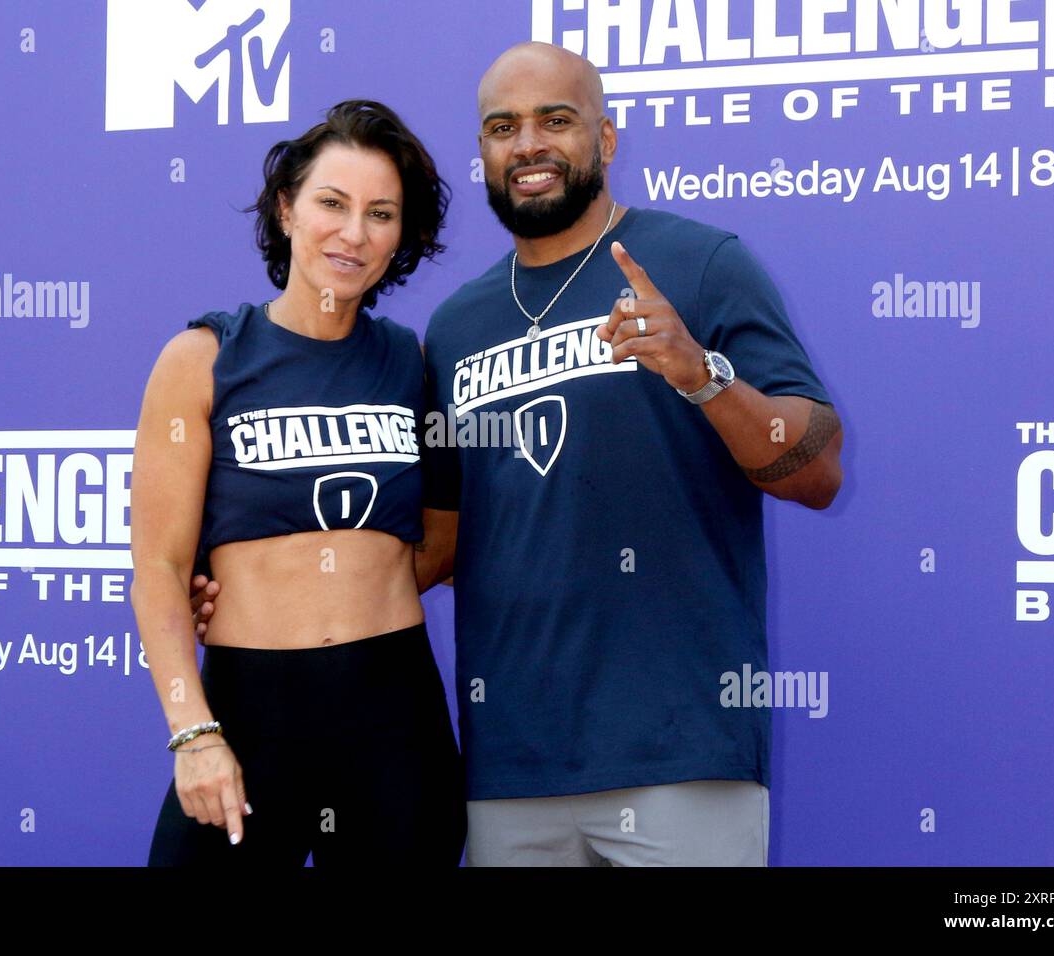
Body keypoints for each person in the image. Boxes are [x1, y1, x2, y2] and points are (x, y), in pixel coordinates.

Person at [195, 42, 844, 867]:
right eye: (504, 127)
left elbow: (819, 472)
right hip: (508, 769)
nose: (528, 144)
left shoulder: (700, 264)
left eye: (556, 120)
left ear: (606, 140)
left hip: (680, 753)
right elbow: (443, 541)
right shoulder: (457, 327)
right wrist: (249, 588)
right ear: (484, 154)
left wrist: (702, 376)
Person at [131, 99, 465, 867]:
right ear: (286, 209)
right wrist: (193, 731)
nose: (353, 233)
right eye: (332, 203)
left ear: (400, 239)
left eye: (381, 214)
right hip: (248, 718)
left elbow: (440, 542)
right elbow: (158, 568)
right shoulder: (204, 357)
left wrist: (350, 581)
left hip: (395, 721)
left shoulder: (410, 364)